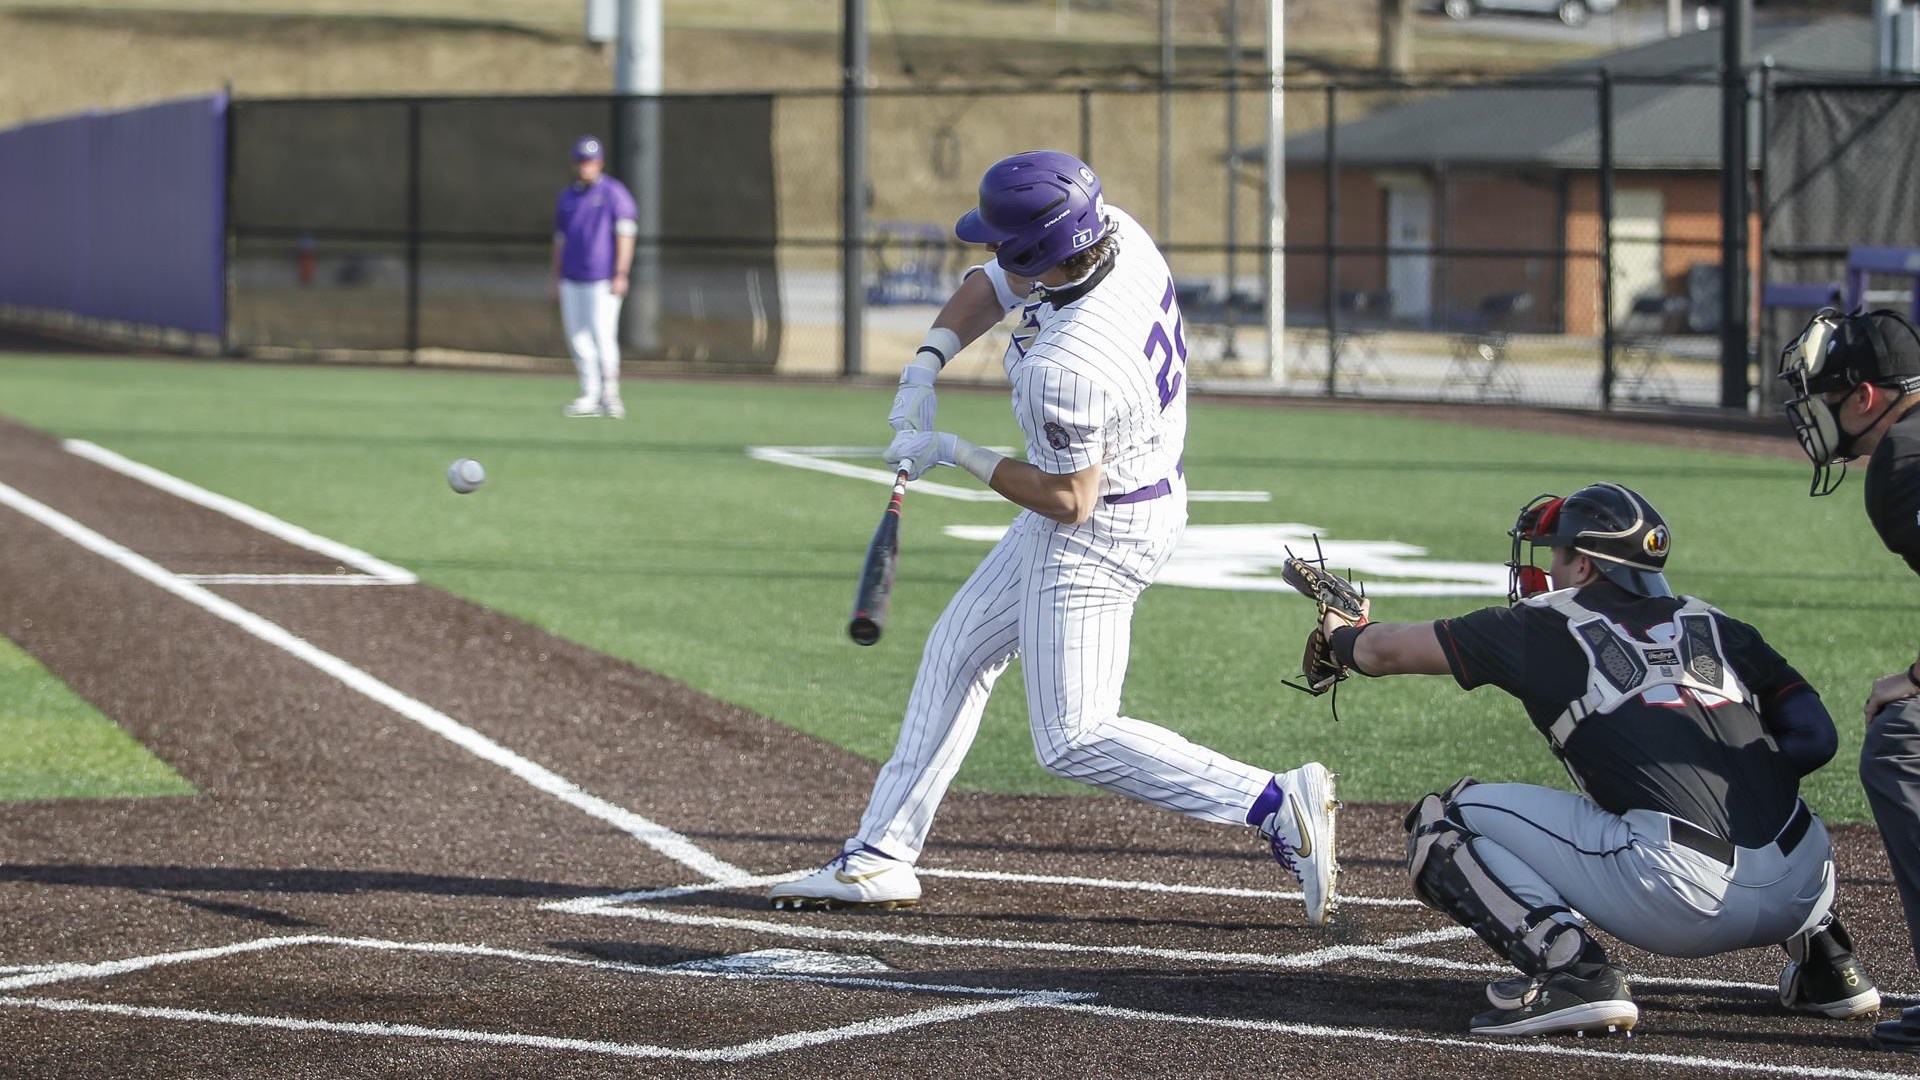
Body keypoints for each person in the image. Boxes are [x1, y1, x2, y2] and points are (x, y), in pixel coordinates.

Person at [766, 149, 1340, 925]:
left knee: (1073, 736)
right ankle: (880, 856)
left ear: (1048, 252)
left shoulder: (1067, 368)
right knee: (958, 648)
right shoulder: (1116, 234)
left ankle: (1274, 801)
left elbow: (1070, 499)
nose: (995, 256)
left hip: (1105, 530)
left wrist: (954, 453)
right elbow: (993, 284)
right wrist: (924, 368)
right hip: (1132, 488)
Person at [1302, 482, 1876, 1037]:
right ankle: (1829, 962)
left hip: (1679, 896)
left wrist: (1343, 633)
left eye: (1558, 552)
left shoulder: (1544, 624)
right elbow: (1818, 739)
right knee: (1761, 808)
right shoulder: (1721, 625)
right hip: (1806, 882)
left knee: (1443, 818)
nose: (1549, 565)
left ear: (1586, 564)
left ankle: (1575, 976)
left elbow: (1382, 650)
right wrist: (1739, 777)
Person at [1777, 307, 1920, 1055]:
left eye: (1827, 398)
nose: (1815, 417)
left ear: (1865, 396)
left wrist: (1914, 680)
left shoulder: (1903, 459)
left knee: (1901, 747)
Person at [549, 135, 636, 419]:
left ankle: (611, 396)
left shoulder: (614, 193)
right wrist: (556, 277)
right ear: (576, 164)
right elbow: (560, 240)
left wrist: (621, 273)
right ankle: (590, 394)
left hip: (602, 278)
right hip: (572, 277)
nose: (587, 167)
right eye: (582, 162)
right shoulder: (568, 197)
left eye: (592, 161)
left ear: (600, 163)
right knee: (577, 338)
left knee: (603, 336)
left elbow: (626, 234)